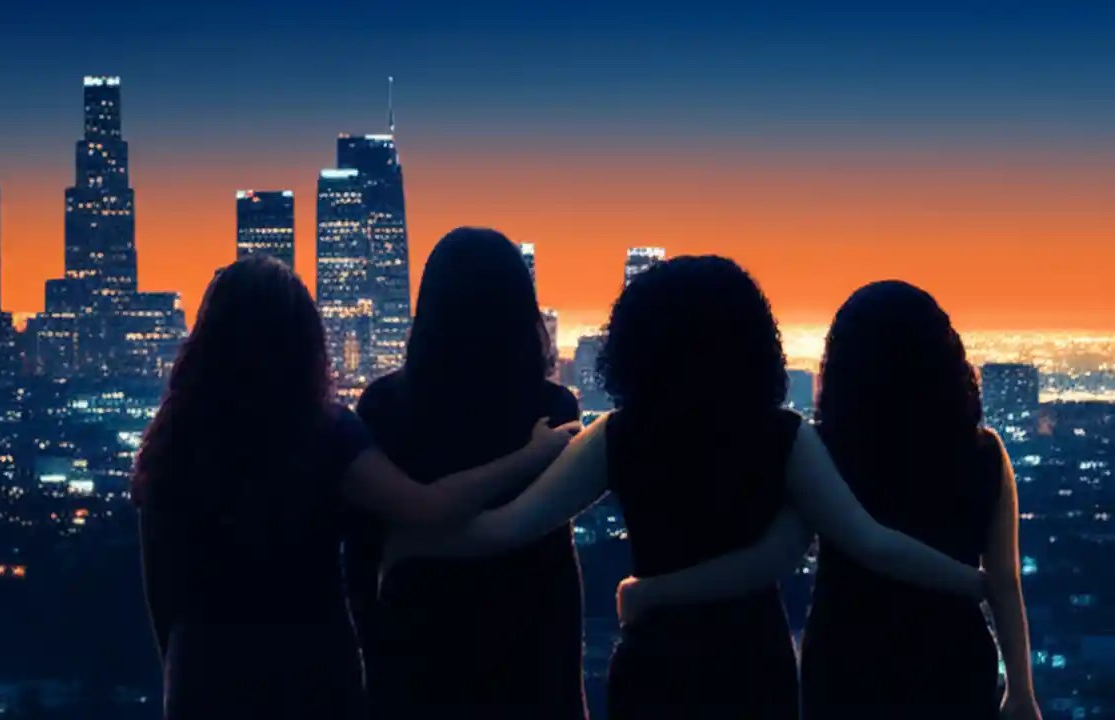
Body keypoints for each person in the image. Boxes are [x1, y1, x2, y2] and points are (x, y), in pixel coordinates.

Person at [391, 256, 985, 719]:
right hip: (755, 666)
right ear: (754, 344)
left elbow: (507, 527)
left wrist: (409, 545)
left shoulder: (617, 437)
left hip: (657, 667)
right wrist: (979, 585)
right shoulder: (784, 437)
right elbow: (870, 542)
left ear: (637, 346)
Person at [131, 257, 579, 720]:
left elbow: (161, 593)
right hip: (310, 676)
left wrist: (180, 674)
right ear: (302, 342)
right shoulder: (323, 435)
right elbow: (429, 507)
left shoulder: (172, 442)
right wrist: (530, 456)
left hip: (204, 678)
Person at [344, 228, 587, 720]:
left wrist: (372, 656)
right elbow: (557, 555)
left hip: (414, 652)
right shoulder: (551, 409)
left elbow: (360, 555)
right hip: (528, 655)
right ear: (522, 311)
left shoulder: (383, 406)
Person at [797, 281, 1038, 718]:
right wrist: (1021, 692)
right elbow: (1005, 579)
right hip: (951, 662)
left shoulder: (819, 451)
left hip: (846, 663)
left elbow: (783, 549)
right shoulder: (984, 453)